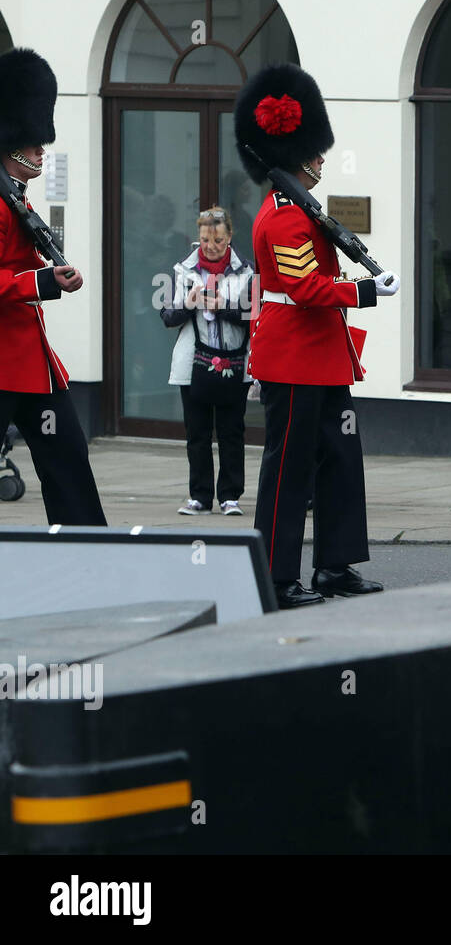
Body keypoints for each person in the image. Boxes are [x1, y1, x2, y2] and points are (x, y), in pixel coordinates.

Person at [234, 63, 400, 608]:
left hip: (321, 357)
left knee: (340, 459)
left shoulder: (302, 209)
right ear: (299, 155)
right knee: (288, 471)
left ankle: (334, 565)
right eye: (316, 151)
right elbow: (306, 289)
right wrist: (365, 292)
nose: (322, 159)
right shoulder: (283, 217)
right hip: (294, 356)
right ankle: (278, 578)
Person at [0, 48, 106, 527]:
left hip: (30, 363)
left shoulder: (17, 199)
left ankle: (91, 554)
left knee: (68, 463)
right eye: (35, 142)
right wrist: (42, 280)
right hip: (5, 363)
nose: (43, 149)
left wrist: (54, 274)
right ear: (11, 143)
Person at [161, 205, 255, 516]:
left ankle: (230, 496)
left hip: (234, 364)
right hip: (192, 364)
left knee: (231, 432)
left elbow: (254, 316)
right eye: (204, 241)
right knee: (197, 433)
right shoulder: (182, 270)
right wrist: (189, 304)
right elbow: (168, 317)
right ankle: (199, 497)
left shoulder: (246, 272)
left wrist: (223, 305)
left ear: (229, 238)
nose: (210, 248)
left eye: (217, 241)